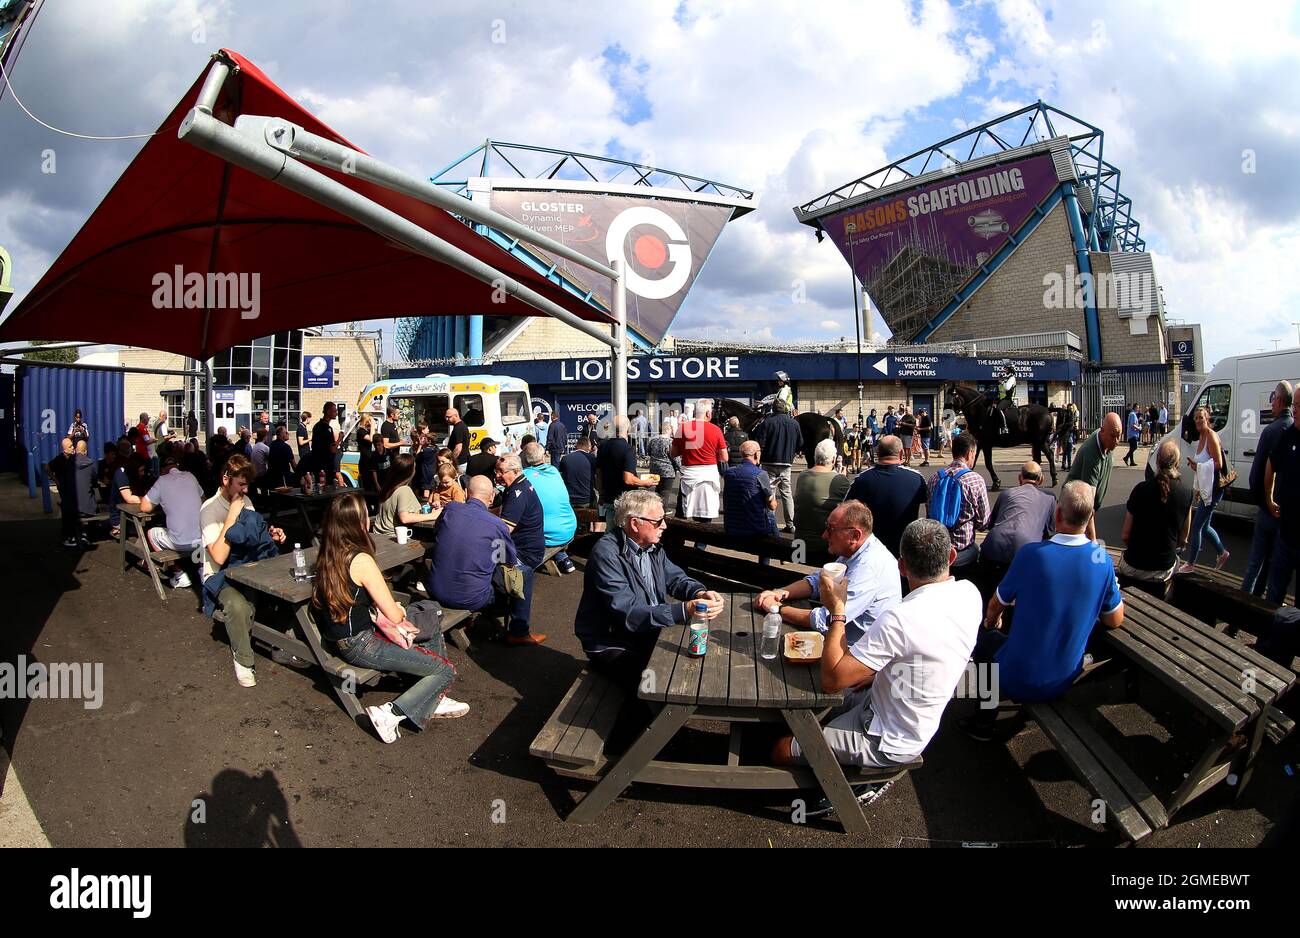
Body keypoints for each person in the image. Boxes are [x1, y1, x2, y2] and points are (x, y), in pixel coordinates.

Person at [772, 520, 979, 810]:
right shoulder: (971, 594)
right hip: (910, 715)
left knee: (780, 748)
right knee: (809, 713)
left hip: (887, 737)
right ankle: (839, 765)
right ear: (952, 556)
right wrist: (882, 671)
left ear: (902, 567)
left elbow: (832, 680)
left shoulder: (901, 618)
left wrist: (838, 611)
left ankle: (859, 785)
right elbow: (937, 648)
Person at [961, 481, 1124, 740]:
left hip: (1017, 678)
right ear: (1090, 517)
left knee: (985, 642)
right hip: (1064, 677)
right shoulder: (1102, 560)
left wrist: (993, 622)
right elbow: (1115, 619)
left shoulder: (1032, 554)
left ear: (1058, 513)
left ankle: (984, 721)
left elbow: (995, 605)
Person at [311, 490, 466, 743]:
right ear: (359, 523)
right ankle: (390, 713)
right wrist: (400, 610)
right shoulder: (360, 559)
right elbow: (394, 616)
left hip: (342, 637)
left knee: (428, 618)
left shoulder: (327, 553)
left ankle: (435, 698)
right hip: (361, 643)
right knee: (444, 670)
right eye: (365, 515)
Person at [574, 489, 722, 695]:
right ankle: (649, 724)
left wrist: (699, 593)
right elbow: (630, 614)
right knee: (658, 680)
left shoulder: (650, 546)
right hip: (612, 641)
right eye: (658, 521)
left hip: (645, 631)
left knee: (702, 660)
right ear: (635, 524)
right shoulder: (607, 555)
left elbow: (676, 579)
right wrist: (684, 609)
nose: (664, 525)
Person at [756, 500, 901, 646]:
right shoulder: (853, 551)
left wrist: (777, 609)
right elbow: (817, 580)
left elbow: (825, 619)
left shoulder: (869, 567)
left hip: (858, 653)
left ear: (855, 536)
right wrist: (780, 593)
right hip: (842, 642)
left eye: (831, 529)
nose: (825, 535)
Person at [199, 454, 287, 687]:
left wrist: (271, 536)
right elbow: (218, 557)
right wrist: (231, 517)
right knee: (239, 607)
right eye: (241, 484)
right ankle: (244, 660)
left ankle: (285, 644)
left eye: (247, 484)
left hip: (248, 569)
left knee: (288, 586)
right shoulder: (209, 509)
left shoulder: (245, 501)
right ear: (226, 479)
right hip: (220, 574)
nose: (246, 489)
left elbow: (254, 536)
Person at [426, 474, 517, 621]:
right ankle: (508, 628)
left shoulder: (450, 509)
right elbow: (506, 560)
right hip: (472, 598)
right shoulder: (497, 525)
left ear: (466, 493)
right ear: (492, 497)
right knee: (509, 581)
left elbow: (437, 531)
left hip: (435, 590)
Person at [1242, 383, 1294, 595]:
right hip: (1286, 514)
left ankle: (1240, 616)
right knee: (1274, 567)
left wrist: (1263, 502)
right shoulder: (1293, 431)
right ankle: (1264, 610)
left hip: (1268, 511)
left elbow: (1257, 475)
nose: (1271, 403)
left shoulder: (1271, 431)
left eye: (1273, 399)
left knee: (1255, 564)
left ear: (1280, 402)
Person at [977, 461, 1056, 600]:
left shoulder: (1006, 493)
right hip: (1025, 550)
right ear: (1041, 479)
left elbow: (992, 524)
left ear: (1020, 478)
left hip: (994, 546)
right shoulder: (1049, 498)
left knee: (987, 593)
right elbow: (1049, 533)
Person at [1119, 441, 1191, 588]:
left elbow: (1125, 535)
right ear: (1177, 463)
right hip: (1163, 570)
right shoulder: (1186, 493)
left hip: (1133, 567)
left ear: (1157, 462)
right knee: (1176, 562)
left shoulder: (1140, 489)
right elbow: (1183, 540)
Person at [843, 436, 927, 560]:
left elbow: (844, 510)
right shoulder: (916, 478)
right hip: (905, 550)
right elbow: (927, 502)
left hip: (872, 551)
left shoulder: (862, 480)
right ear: (901, 453)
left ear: (878, 454)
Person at [494, 453, 548, 645]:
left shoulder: (517, 493)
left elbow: (504, 530)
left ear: (515, 471)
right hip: (525, 547)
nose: (497, 475)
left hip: (524, 554)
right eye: (496, 470)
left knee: (484, 560)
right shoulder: (519, 485)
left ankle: (518, 631)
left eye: (501, 472)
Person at [926, 432, 990, 578]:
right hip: (964, 551)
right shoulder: (975, 480)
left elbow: (929, 513)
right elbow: (983, 522)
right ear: (970, 454)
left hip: (938, 549)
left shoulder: (935, 477)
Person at [1178, 406, 1230, 574]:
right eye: (1197, 418)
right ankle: (1222, 553)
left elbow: (1218, 463)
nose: (1199, 420)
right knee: (1205, 526)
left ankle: (1190, 563)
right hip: (1207, 488)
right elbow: (1203, 465)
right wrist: (1197, 468)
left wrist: (1198, 466)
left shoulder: (1211, 437)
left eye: (1202, 417)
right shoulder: (1201, 438)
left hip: (1215, 489)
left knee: (1197, 526)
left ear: (1207, 419)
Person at [141, 453, 205, 589]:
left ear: (162, 469)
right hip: (201, 540)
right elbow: (203, 499)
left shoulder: (162, 481)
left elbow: (145, 507)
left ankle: (179, 574)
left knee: (152, 533)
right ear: (177, 466)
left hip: (179, 543)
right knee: (196, 530)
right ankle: (202, 570)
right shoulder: (190, 476)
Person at [1264, 390, 1300, 604]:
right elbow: (1271, 464)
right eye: (1294, 404)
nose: (1294, 409)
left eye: (1298, 405)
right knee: (1275, 594)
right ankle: (1268, 636)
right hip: (1286, 535)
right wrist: (1269, 498)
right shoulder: (1289, 435)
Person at [521, 442, 578, 575]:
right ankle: (562, 558)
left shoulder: (524, 476)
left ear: (524, 458)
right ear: (543, 455)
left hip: (549, 535)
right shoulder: (553, 471)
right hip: (569, 527)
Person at [794, 438, 852, 564]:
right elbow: (851, 508)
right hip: (824, 544)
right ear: (833, 460)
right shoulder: (839, 480)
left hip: (800, 542)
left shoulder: (802, 476)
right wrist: (843, 477)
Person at [1066, 412, 1122, 541]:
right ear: (1102, 431)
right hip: (1075, 509)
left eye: (1119, 436)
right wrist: (1094, 540)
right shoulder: (1092, 454)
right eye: (1113, 436)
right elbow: (1087, 504)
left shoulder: (1105, 440)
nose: (1116, 441)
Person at [598, 416, 656, 525]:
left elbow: (599, 474)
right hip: (625, 500)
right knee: (626, 533)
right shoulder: (628, 449)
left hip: (608, 497)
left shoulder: (603, 447)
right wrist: (645, 483)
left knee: (611, 530)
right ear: (628, 429)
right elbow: (628, 479)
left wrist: (601, 495)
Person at [753, 398, 799, 532]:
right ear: (785, 408)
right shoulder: (794, 424)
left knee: (769, 491)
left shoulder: (767, 422)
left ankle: (770, 523)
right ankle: (790, 524)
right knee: (787, 493)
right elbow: (800, 443)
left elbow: (759, 442)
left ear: (773, 408)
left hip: (769, 462)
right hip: (786, 463)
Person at [723, 441, 778, 545]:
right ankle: (777, 553)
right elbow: (772, 506)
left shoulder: (729, 473)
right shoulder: (761, 474)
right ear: (756, 454)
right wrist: (772, 495)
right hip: (754, 529)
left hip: (731, 527)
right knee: (770, 515)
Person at [372, 454, 428, 537]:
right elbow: (404, 518)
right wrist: (433, 515)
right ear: (410, 471)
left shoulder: (387, 487)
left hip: (378, 535)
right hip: (395, 537)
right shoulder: (404, 490)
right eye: (414, 468)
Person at [47, 438, 87, 549]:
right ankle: (68, 536)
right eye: (70, 446)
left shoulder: (74, 458)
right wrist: (56, 480)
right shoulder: (60, 459)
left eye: (72, 446)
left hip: (72, 488)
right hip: (64, 489)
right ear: (64, 449)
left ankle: (78, 531)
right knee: (67, 509)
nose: (73, 448)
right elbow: (47, 468)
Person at [560, 435, 599, 510]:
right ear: (588, 447)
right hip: (586, 499)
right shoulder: (592, 458)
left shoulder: (565, 458)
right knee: (597, 515)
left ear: (576, 445)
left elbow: (562, 478)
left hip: (570, 499)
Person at [645, 422, 679, 504]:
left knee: (657, 492)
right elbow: (675, 457)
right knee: (665, 494)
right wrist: (681, 468)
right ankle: (662, 513)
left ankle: (655, 511)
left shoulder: (653, 440)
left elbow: (648, 452)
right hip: (667, 471)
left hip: (654, 469)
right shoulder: (670, 442)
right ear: (669, 429)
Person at [267, 425, 296, 489]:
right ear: (281, 434)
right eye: (286, 432)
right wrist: (299, 474)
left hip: (272, 476)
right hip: (283, 477)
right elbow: (293, 464)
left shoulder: (272, 444)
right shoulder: (286, 447)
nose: (288, 434)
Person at [355, 413, 379, 492]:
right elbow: (372, 439)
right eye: (369, 421)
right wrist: (372, 425)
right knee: (367, 486)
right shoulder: (360, 431)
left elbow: (375, 438)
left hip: (371, 461)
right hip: (365, 463)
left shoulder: (367, 431)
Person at [996, 364, 1017, 436]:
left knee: (998, 408)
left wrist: (1002, 382)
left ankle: (1005, 427)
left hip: (1009, 399)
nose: (1004, 369)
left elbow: (1007, 387)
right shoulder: (1006, 378)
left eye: (1005, 368)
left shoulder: (1012, 378)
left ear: (1009, 369)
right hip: (1002, 398)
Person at [1057, 402, 1078, 470]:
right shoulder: (1067, 415)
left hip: (1069, 435)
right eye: (1070, 408)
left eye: (1072, 408)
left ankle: (1067, 465)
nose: (1071, 409)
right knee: (1066, 451)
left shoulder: (1070, 414)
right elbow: (1066, 424)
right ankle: (1065, 465)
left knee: (1068, 451)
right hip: (1066, 435)